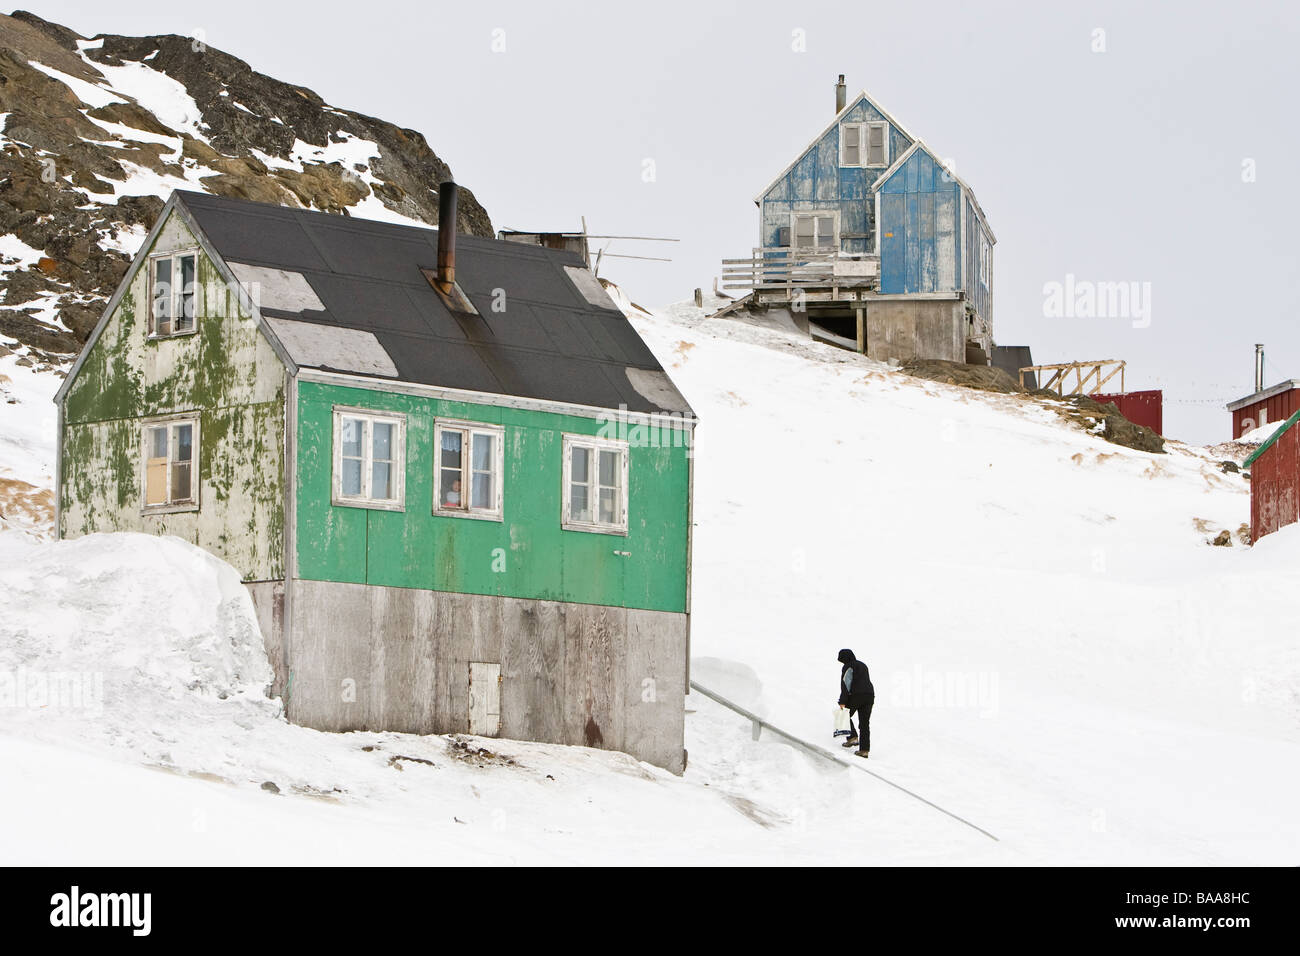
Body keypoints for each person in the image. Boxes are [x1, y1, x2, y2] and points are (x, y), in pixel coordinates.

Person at [837, 648, 874, 758]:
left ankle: (852, 738)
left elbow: (846, 684)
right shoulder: (863, 665)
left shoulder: (848, 666)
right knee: (864, 724)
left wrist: (842, 701)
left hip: (857, 695)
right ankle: (864, 750)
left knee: (843, 714)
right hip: (869, 695)